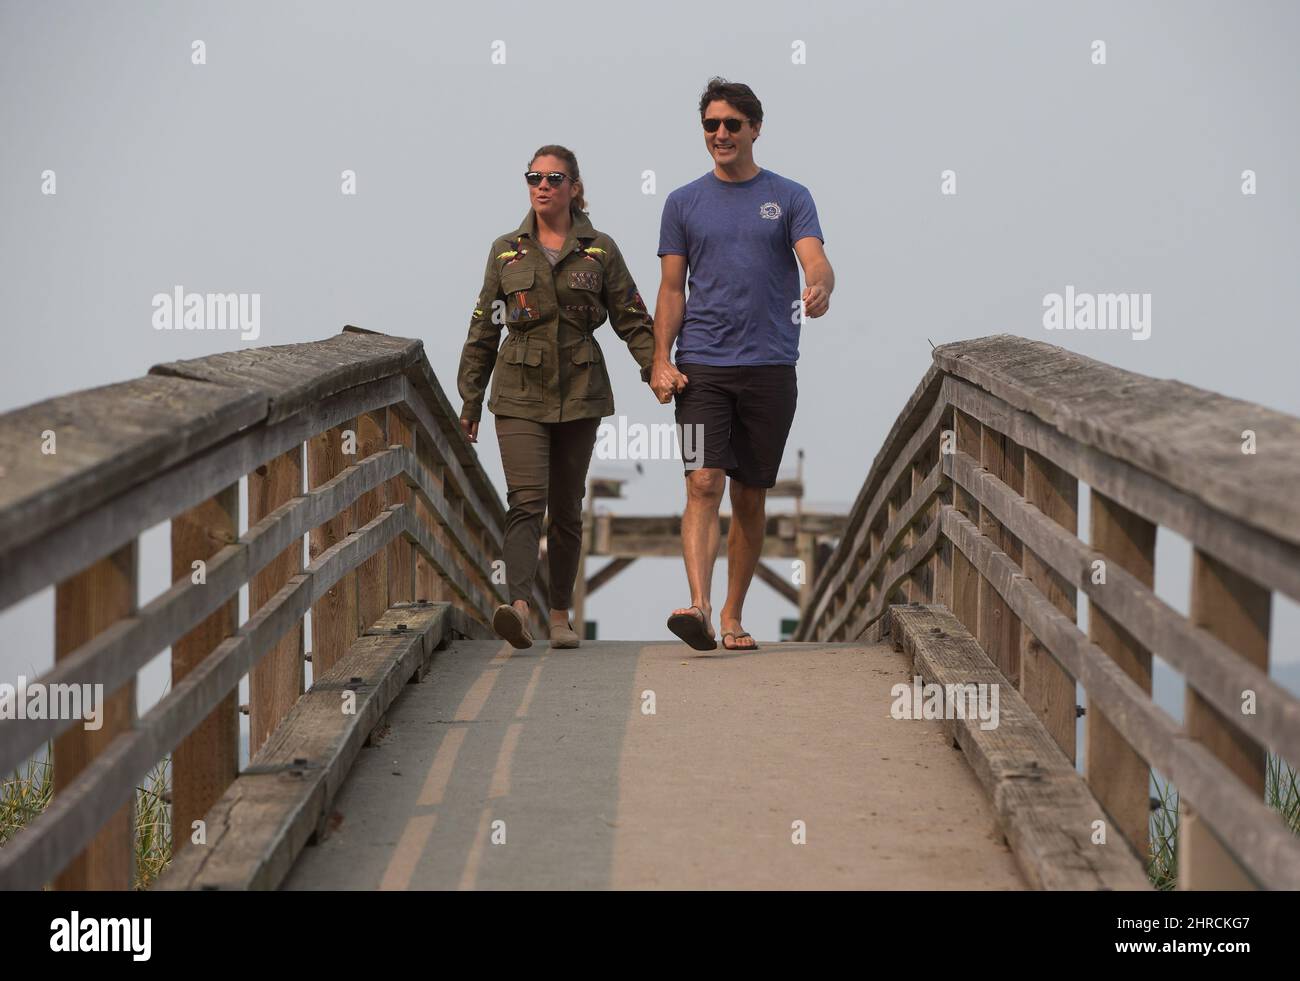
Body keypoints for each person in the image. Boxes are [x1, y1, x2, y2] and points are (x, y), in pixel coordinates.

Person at [651, 78, 834, 652]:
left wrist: (820, 286)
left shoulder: (791, 195)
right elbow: (671, 289)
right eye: (711, 125)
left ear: (755, 128)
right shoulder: (682, 202)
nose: (721, 134)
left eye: (732, 124)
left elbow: (817, 261)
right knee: (703, 481)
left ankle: (732, 613)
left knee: (750, 495)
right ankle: (700, 608)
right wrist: (661, 359)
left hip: (771, 368)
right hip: (702, 366)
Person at [458, 145, 655, 649]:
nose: (542, 185)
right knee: (526, 501)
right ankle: (518, 607)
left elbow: (631, 316)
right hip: (518, 391)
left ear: (574, 187)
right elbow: (484, 326)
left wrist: (656, 368)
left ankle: (560, 616)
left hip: (581, 392)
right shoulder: (506, 250)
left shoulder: (600, 249)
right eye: (534, 177)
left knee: (566, 507)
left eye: (553, 178)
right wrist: (470, 399)